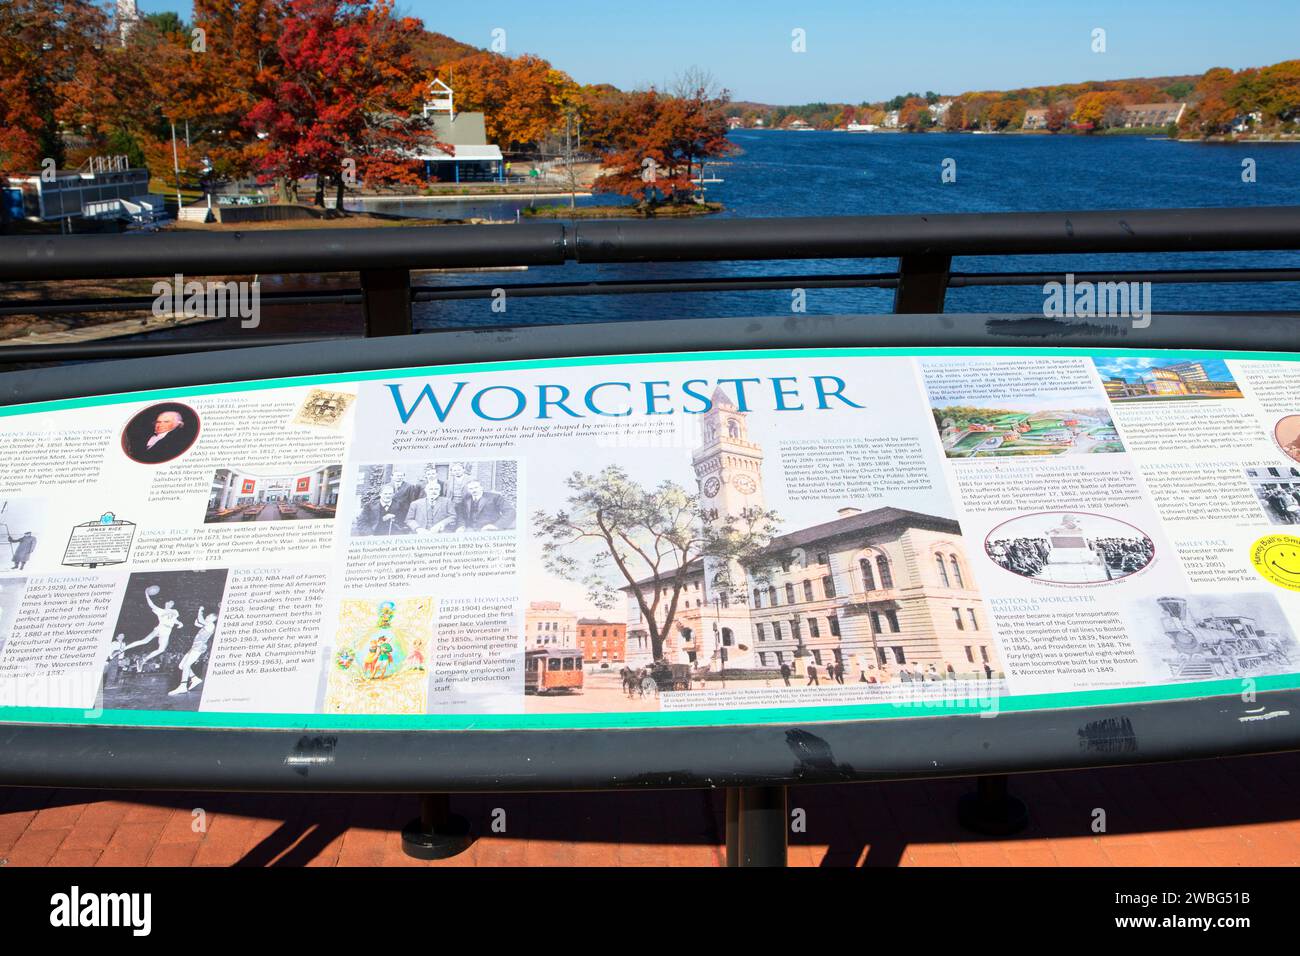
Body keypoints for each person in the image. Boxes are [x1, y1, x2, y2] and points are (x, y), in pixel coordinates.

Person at [122, 587, 182, 666]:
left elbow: (174, 620)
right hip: (161, 628)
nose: (171, 604)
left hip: (168, 631)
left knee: (161, 649)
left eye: (172, 603)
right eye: (170, 602)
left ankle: (143, 660)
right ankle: (123, 649)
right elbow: (151, 604)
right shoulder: (159, 610)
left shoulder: (175, 611)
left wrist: (179, 623)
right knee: (145, 641)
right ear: (166, 602)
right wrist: (147, 594)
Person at [169, 607, 217, 695]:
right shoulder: (206, 625)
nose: (207, 617)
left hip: (198, 648)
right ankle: (195, 678)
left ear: (213, 619)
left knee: (186, 665)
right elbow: (196, 623)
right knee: (182, 666)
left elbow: (201, 620)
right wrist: (199, 615)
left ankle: (183, 686)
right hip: (194, 647)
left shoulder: (211, 625)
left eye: (210, 616)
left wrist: (200, 611)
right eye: (208, 616)